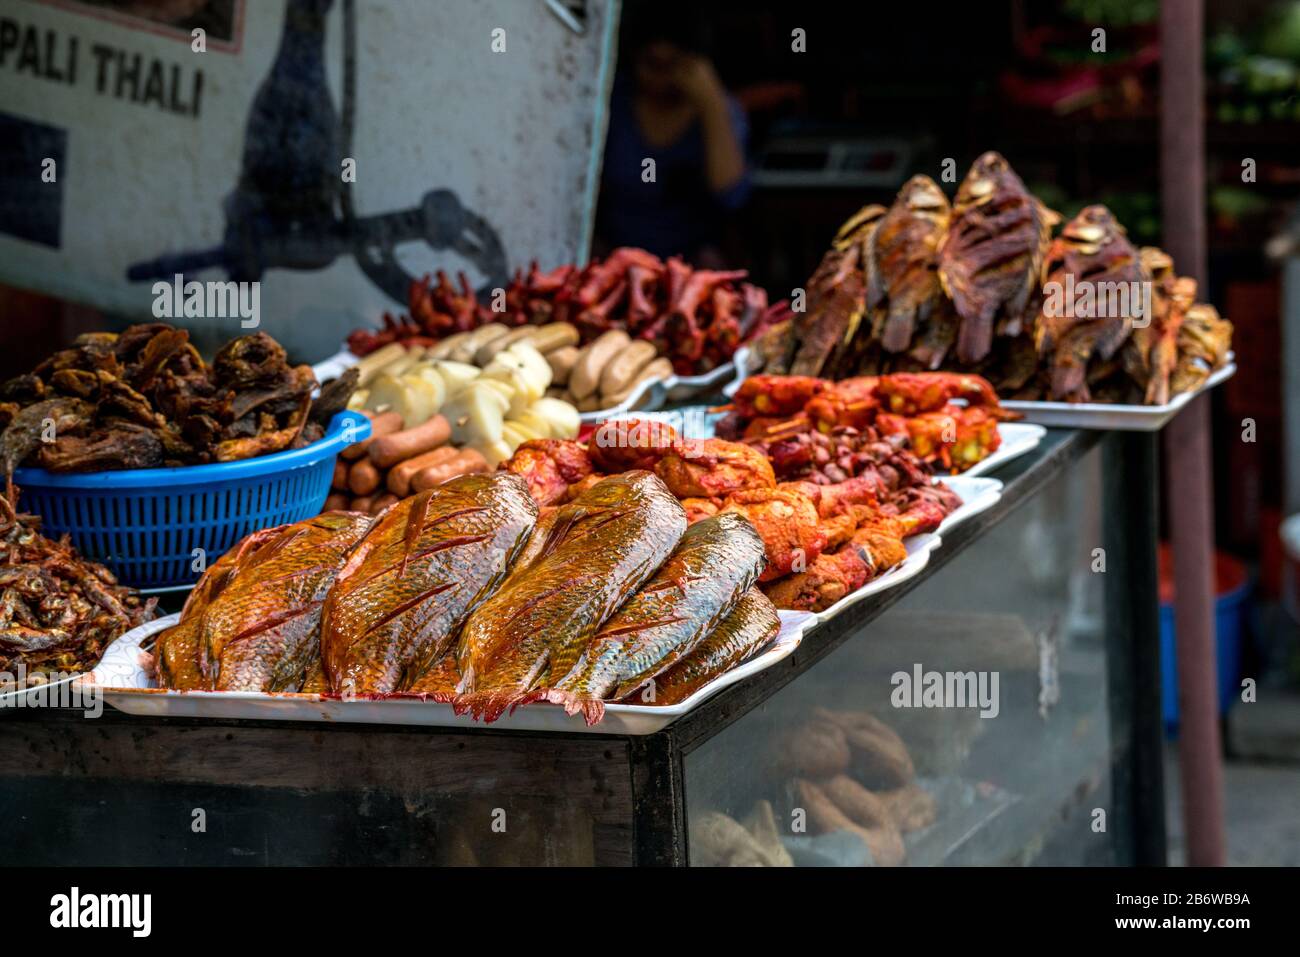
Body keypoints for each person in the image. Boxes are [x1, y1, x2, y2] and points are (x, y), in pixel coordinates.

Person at [596, 12, 750, 264]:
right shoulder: (614, 104)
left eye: (673, 65)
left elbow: (731, 194)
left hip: (691, 260)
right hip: (616, 255)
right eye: (652, 64)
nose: (661, 78)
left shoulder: (722, 110)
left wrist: (711, 105)